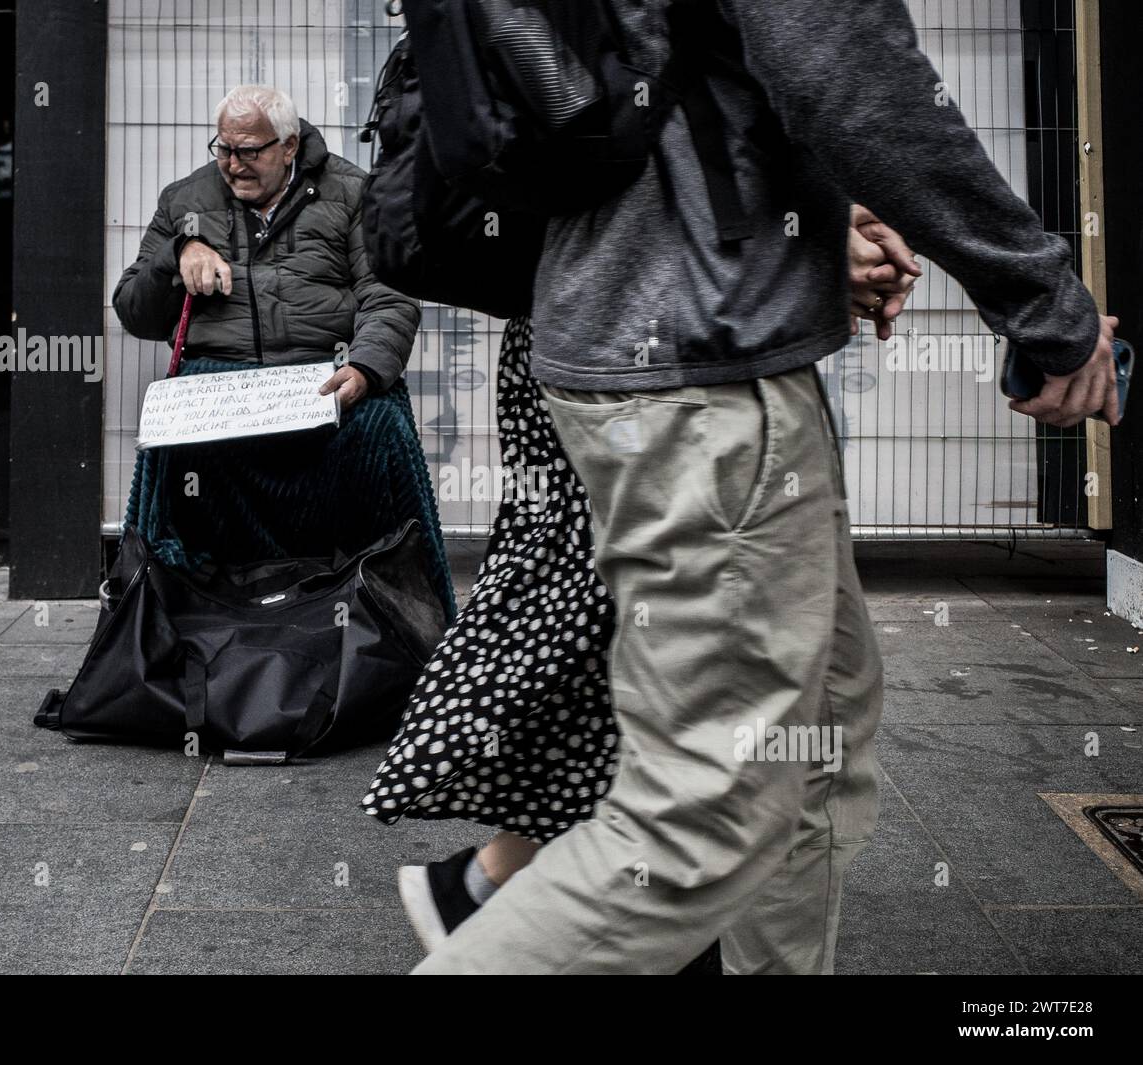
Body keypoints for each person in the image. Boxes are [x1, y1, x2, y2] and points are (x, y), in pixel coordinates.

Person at [413, 0, 1119, 975]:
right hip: (700, 374)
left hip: (663, 345)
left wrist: (817, 217)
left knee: (819, 730)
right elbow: (852, 79)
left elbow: (706, 111)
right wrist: (1042, 299)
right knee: (704, 815)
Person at [363, 207, 921, 958]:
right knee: (688, 692)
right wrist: (797, 242)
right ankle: (493, 892)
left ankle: (496, 883)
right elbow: (664, 169)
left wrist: (804, 234)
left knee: (637, 647)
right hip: (648, 353)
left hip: (618, 340)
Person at [111, 86, 452, 614]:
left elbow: (388, 295)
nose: (232, 165)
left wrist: (364, 367)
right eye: (223, 149)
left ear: (289, 146)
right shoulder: (185, 202)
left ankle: (390, 603)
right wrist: (175, 255)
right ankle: (181, 611)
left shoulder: (351, 191)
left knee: (380, 427)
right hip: (221, 379)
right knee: (170, 445)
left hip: (323, 373)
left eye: (249, 151)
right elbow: (135, 312)